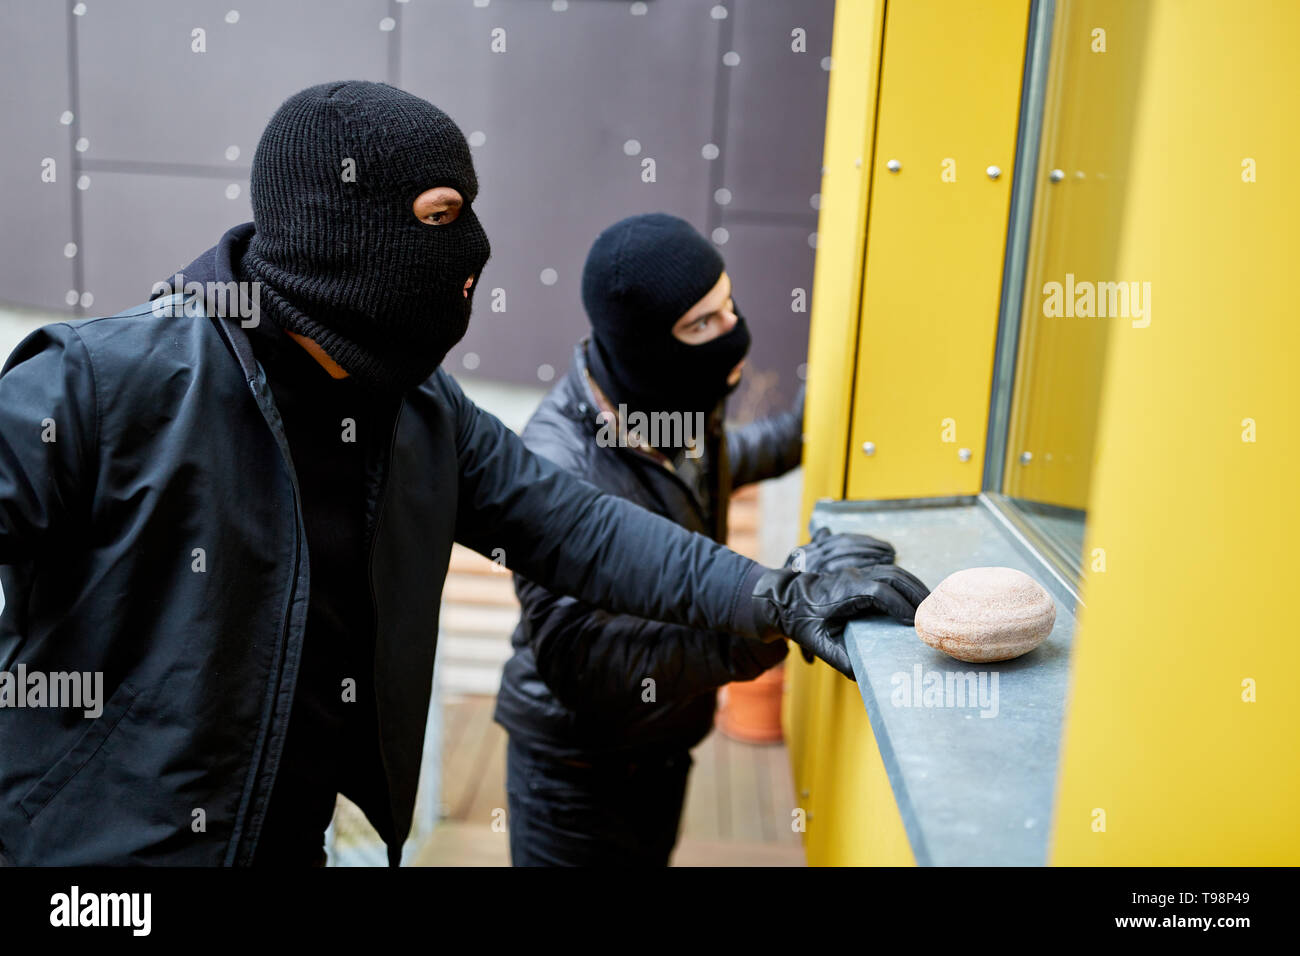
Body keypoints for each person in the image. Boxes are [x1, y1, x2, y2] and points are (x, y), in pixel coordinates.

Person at [0, 82, 929, 867]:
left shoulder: (417, 407)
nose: (474, 249)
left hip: (288, 843)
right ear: (340, 231)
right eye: (442, 217)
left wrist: (779, 595)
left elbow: (571, 527)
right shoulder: (103, 382)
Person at [495, 214, 909, 866]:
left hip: (667, 742)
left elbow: (714, 466)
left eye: (730, 305)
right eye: (702, 324)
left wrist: (811, 423)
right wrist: (779, 614)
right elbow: (590, 668)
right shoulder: (559, 466)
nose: (734, 335)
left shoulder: (672, 391)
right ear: (642, 344)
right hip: (576, 773)